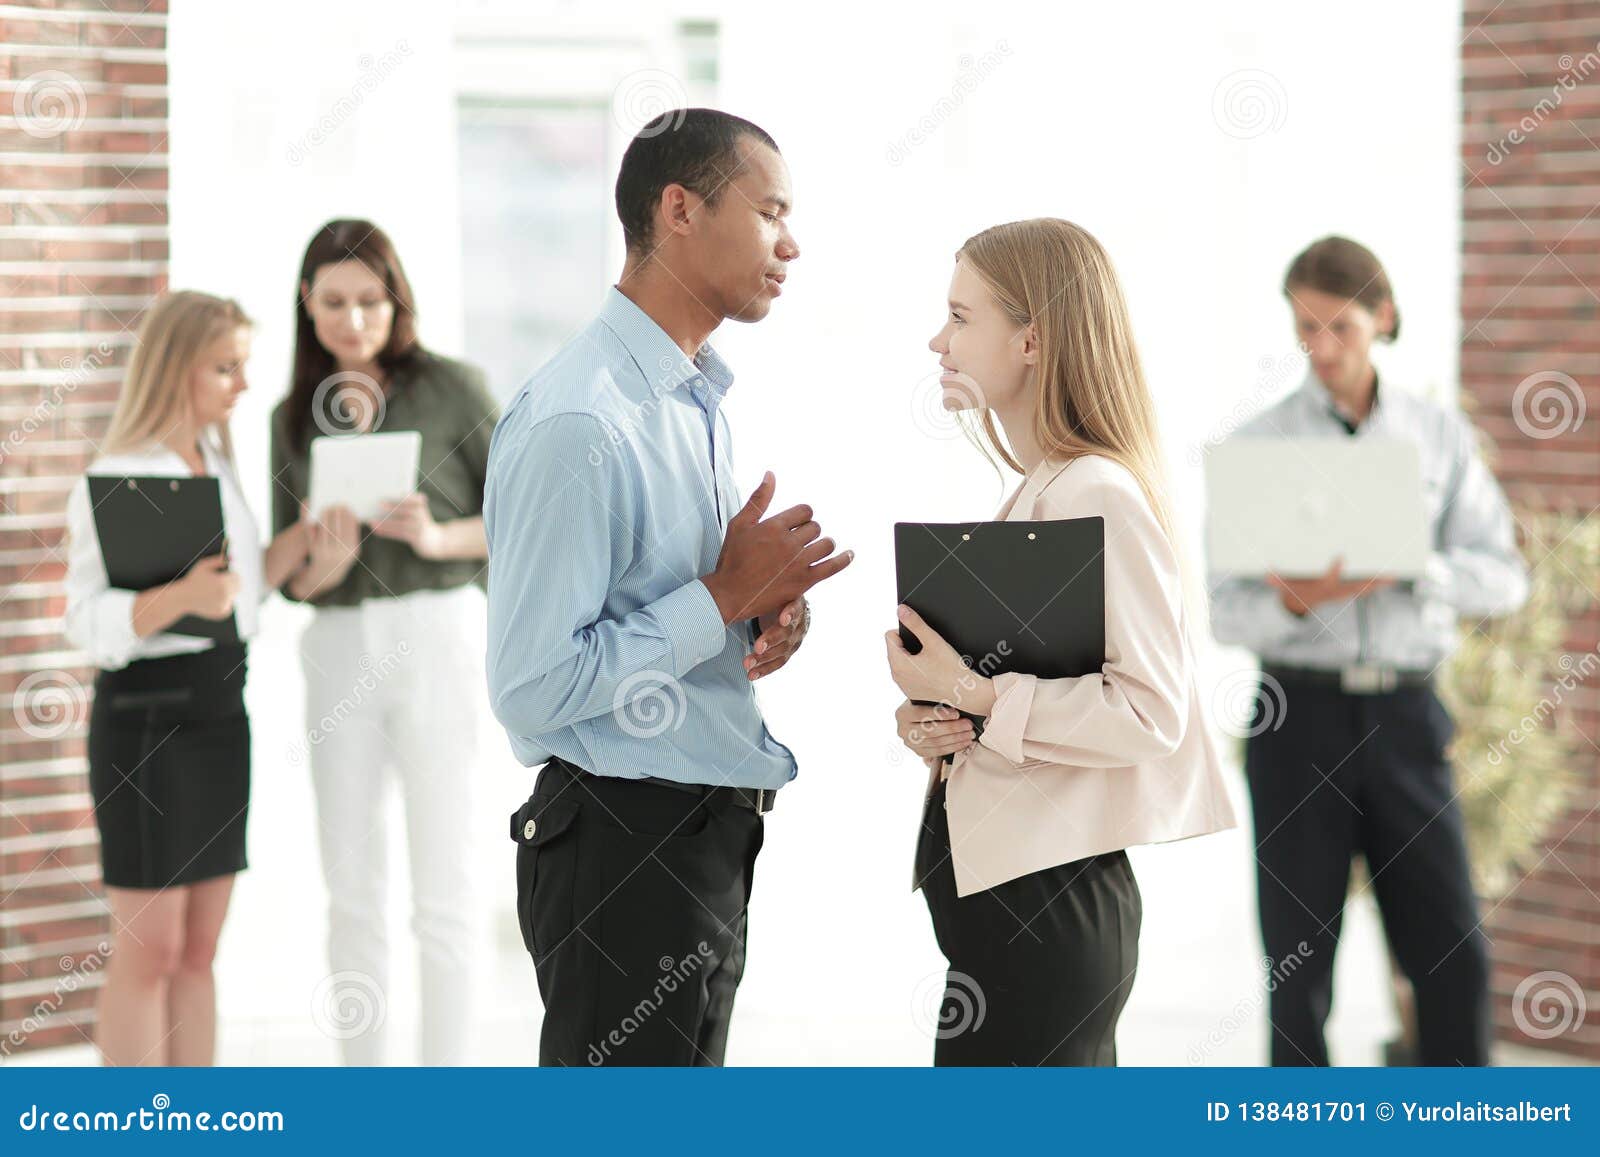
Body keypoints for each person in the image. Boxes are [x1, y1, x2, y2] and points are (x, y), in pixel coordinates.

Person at [485, 108, 853, 1067]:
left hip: (699, 837)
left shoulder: (691, 398)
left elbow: (675, 607)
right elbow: (530, 685)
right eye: (770, 210)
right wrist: (724, 599)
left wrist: (761, 614)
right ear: (679, 209)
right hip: (622, 847)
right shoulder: (581, 421)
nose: (792, 242)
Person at [885, 218, 1237, 1066]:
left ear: (1032, 337)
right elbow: (1040, 707)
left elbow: (1152, 710)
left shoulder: (1096, 491)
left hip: (1047, 924)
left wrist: (974, 694)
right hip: (1012, 932)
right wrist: (941, 724)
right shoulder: (1041, 488)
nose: (939, 339)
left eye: (961, 317)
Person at [1208, 235, 1529, 1066]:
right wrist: (1297, 597)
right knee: (1296, 963)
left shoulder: (1438, 438)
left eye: (1339, 328)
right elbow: (1224, 614)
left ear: (1383, 318)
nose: (1320, 349)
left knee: (1452, 952)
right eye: (1304, 329)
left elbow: (1506, 581)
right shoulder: (1258, 448)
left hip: (1405, 716)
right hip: (1295, 716)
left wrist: (1414, 564)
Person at [269, 219, 500, 1065]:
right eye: (333, 302)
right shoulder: (292, 415)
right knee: (351, 889)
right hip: (334, 644)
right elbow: (291, 574)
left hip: (435, 634)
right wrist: (322, 564)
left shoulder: (454, 389)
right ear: (307, 303)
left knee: (445, 883)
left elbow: (522, 524)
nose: (353, 319)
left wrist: (437, 537)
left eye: (370, 300)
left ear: (396, 298)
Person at [65, 291, 313, 1065]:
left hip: (218, 714)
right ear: (177, 369)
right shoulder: (118, 476)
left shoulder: (219, 464)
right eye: (226, 367)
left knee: (201, 949)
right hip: (144, 723)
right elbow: (85, 622)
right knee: (151, 952)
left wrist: (303, 539)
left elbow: (238, 600)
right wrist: (177, 598)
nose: (243, 384)